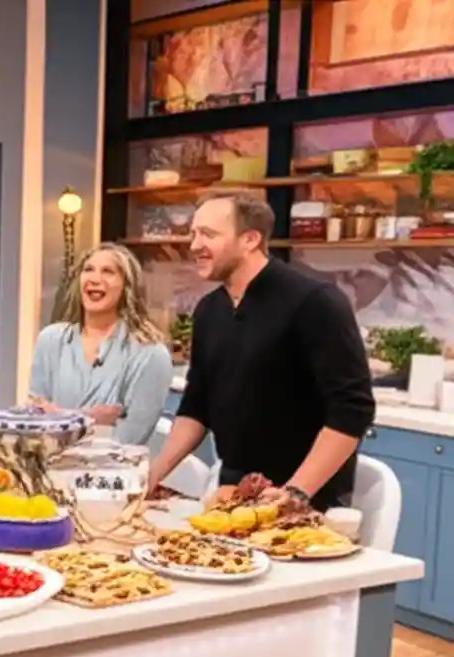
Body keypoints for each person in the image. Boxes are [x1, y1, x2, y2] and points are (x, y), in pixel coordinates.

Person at [148, 193, 375, 511]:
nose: (194, 245)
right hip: (232, 493)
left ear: (250, 239)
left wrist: (296, 491)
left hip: (307, 502)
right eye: (194, 233)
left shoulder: (315, 302)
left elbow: (352, 410)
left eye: (208, 234)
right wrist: (152, 475)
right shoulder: (209, 310)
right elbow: (196, 406)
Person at [30, 243, 173, 445]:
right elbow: (35, 423)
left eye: (108, 272)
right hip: (49, 468)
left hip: (113, 472)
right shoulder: (51, 340)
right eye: (88, 270)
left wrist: (58, 416)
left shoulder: (150, 354)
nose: (95, 279)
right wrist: (88, 418)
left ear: (127, 286)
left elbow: (128, 440)